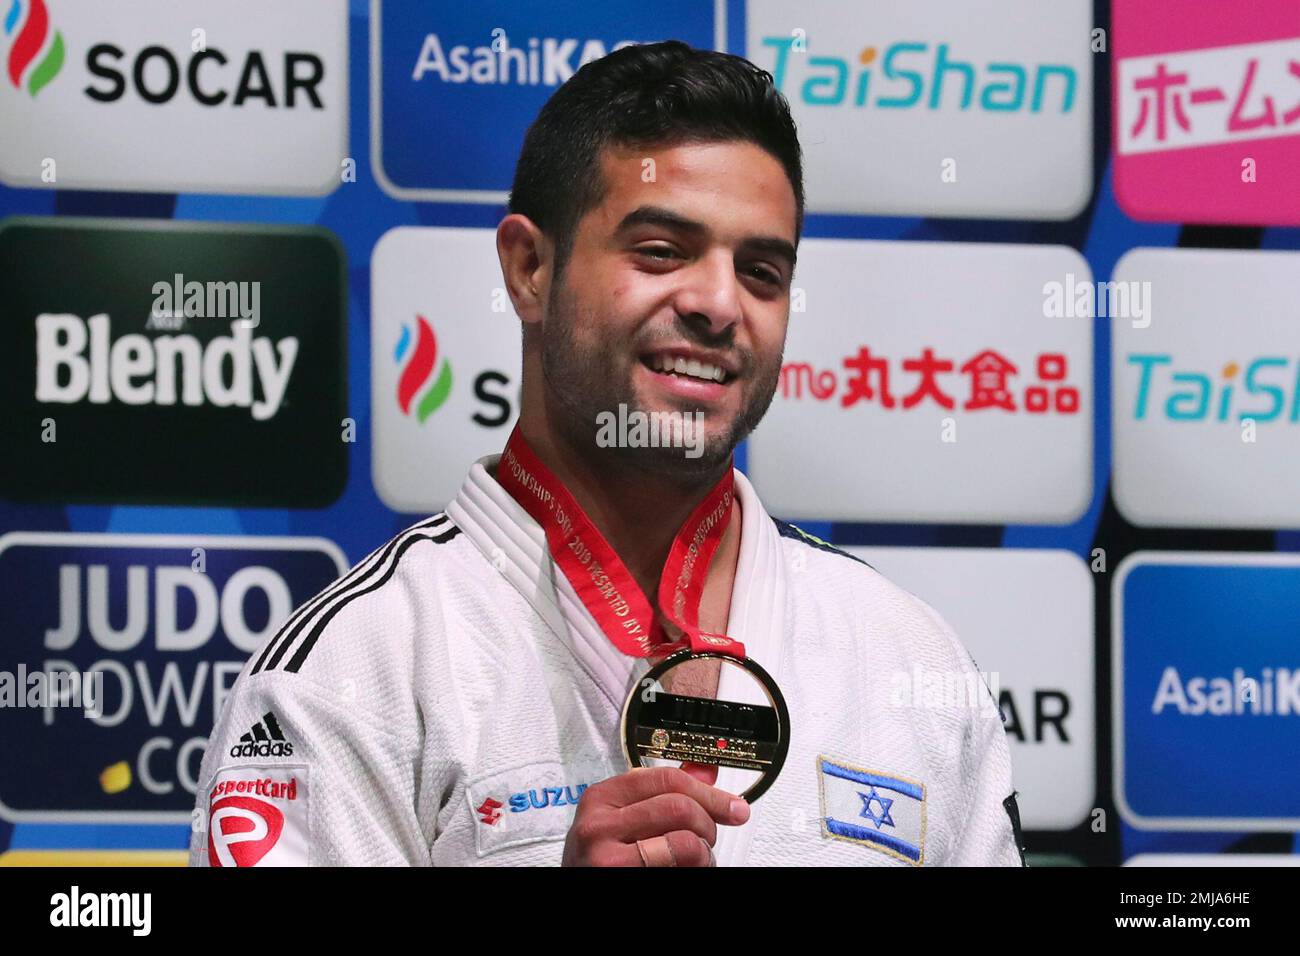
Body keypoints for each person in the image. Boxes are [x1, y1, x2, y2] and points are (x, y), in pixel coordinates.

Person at [190, 40, 1026, 868]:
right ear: (528, 268)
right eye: (662, 251)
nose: (718, 303)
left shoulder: (907, 659)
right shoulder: (355, 669)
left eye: (762, 270)